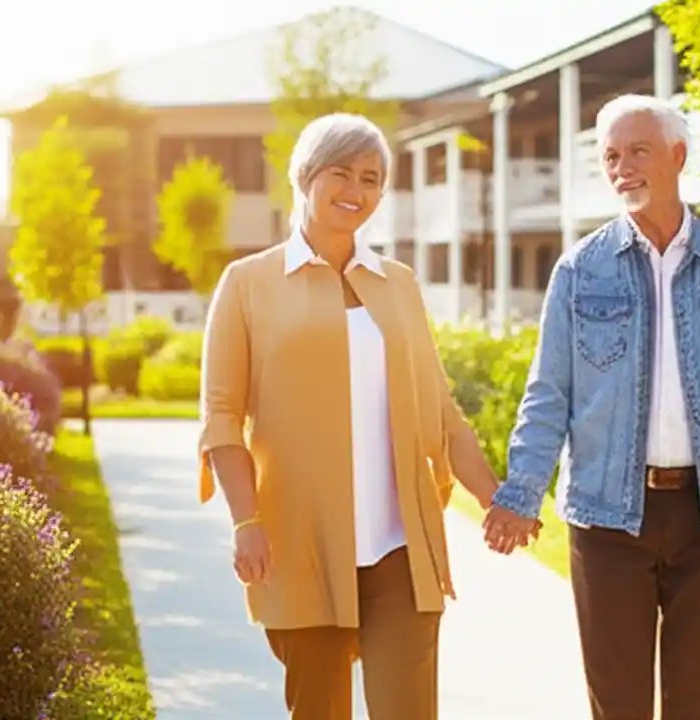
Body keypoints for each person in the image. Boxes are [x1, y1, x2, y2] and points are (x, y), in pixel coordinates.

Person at [198, 112, 526, 720]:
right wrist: (246, 521)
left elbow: (442, 411)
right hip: (301, 544)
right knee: (319, 710)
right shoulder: (247, 283)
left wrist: (493, 497)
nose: (356, 191)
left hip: (400, 548)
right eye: (341, 173)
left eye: (371, 179)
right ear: (306, 175)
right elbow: (221, 416)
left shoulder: (397, 284)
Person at [483, 94, 700, 720]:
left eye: (638, 152)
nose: (622, 168)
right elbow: (549, 393)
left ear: (678, 156)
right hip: (606, 522)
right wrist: (520, 494)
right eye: (611, 157)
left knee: (698, 705)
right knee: (618, 707)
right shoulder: (579, 270)